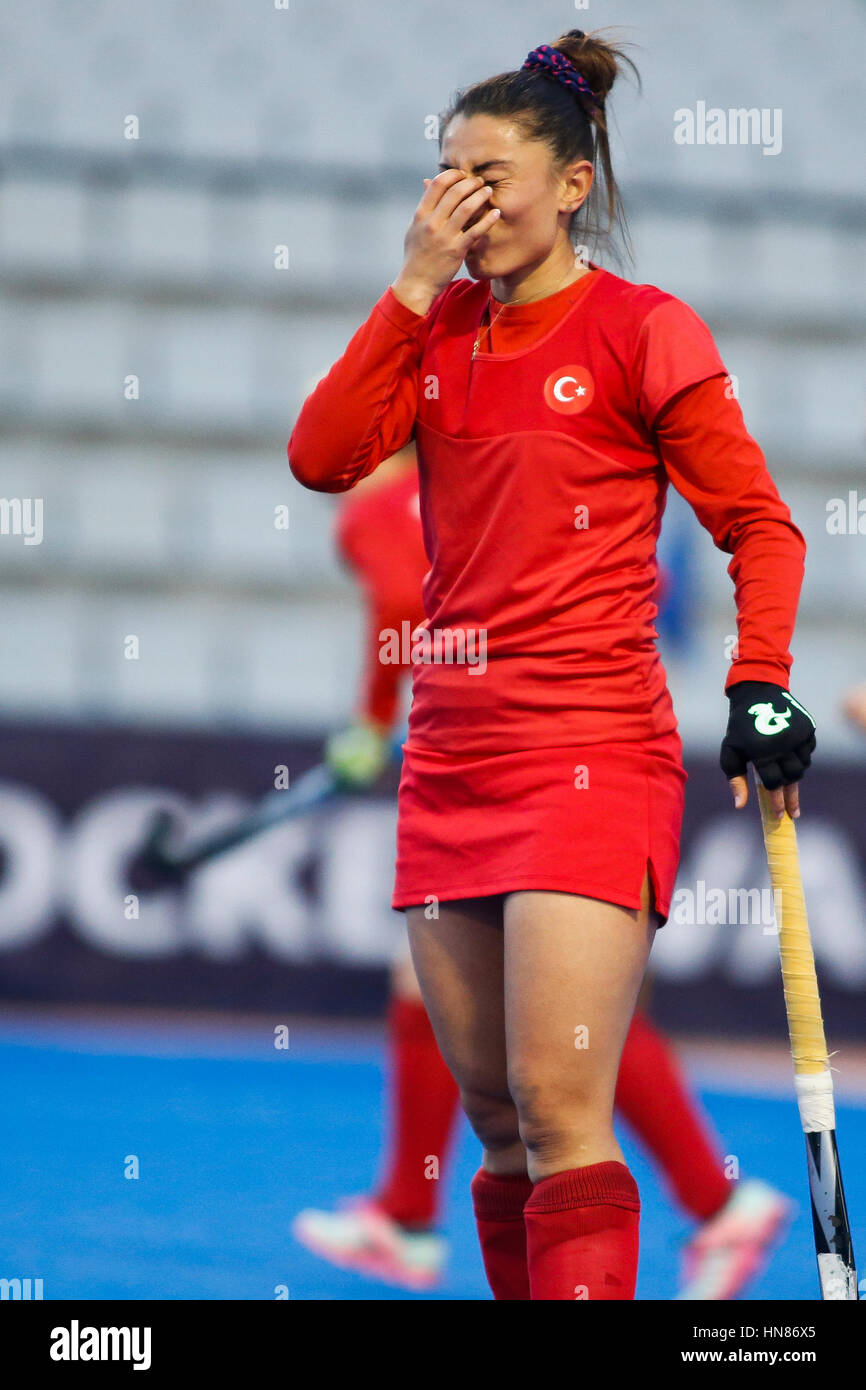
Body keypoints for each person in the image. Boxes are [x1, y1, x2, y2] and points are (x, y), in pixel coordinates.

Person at [289, 29, 815, 1300]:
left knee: (557, 1099)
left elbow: (755, 522)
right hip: (450, 761)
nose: (464, 199)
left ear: (571, 184)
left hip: (587, 753)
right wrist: (409, 287)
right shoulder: (435, 329)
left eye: (493, 172)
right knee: (500, 1127)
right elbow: (320, 456)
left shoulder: (642, 329)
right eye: (445, 174)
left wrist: (757, 677)